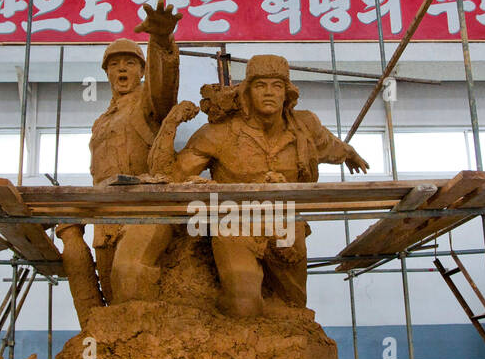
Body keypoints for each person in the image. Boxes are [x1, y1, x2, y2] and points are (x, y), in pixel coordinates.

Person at [148, 55, 369, 317]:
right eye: (260, 85)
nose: (269, 93)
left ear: (287, 93)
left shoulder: (304, 127)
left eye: (277, 86)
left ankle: (271, 320)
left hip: (285, 225)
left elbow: (329, 146)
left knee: (296, 309)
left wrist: (349, 153)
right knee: (243, 305)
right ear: (246, 92)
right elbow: (173, 174)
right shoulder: (220, 133)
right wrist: (170, 126)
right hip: (234, 222)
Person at [56, 0, 182, 308]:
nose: (121, 68)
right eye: (114, 64)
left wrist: (161, 41)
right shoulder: (101, 121)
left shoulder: (148, 105)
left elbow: (163, 87)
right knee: (112, 297)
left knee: (133, 281)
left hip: (143, 208)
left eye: (129, 63)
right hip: (105, 212)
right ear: (107, 73)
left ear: (141, 71)